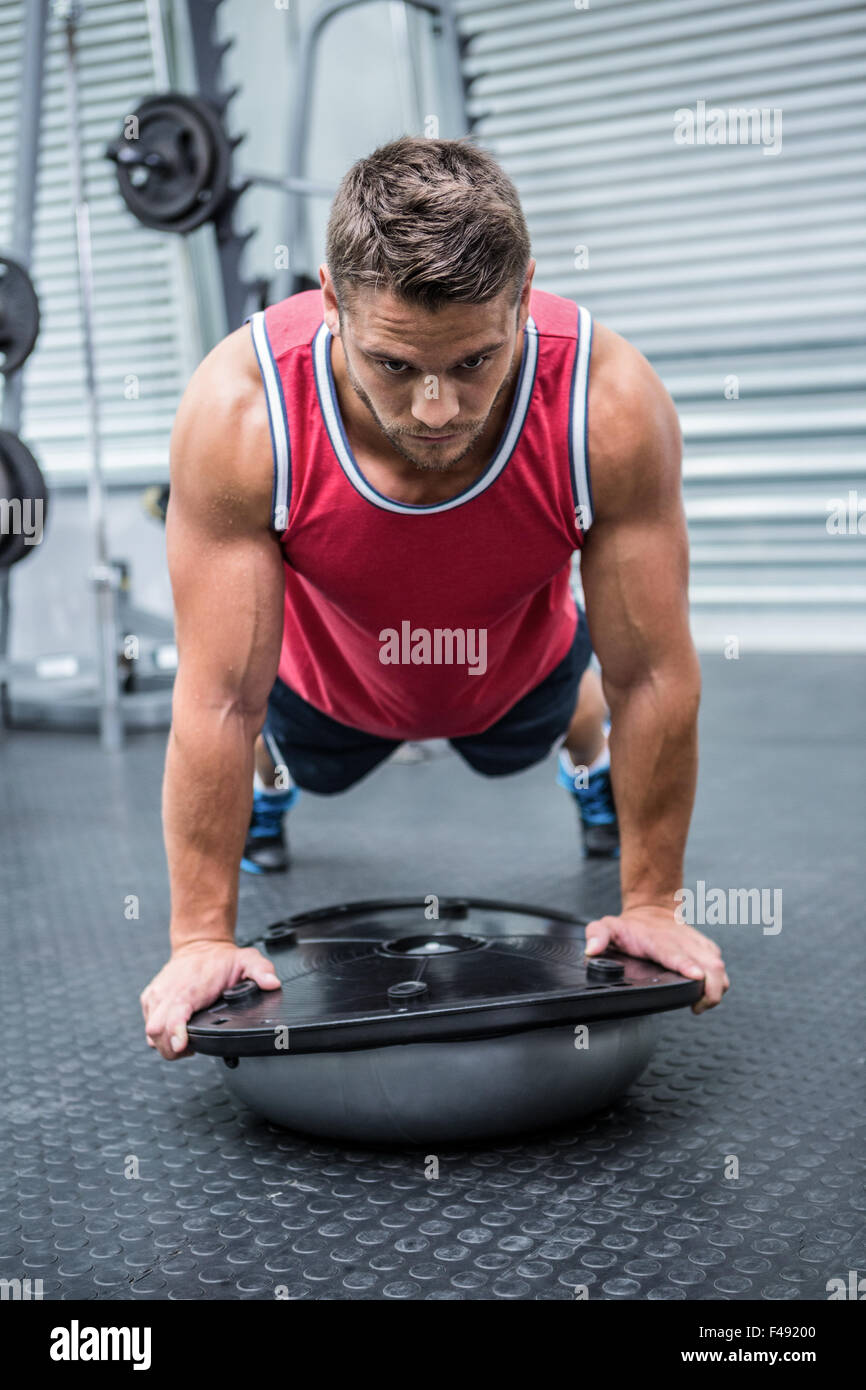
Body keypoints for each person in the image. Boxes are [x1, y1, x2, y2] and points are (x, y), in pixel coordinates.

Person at [141, 137, 728, 1061]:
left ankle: (586, 772)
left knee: (581, 709)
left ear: (524, 296)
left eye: (472, 363)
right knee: (255, 727)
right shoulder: (242, 411)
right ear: (330, 301)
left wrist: (653, 902)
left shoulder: (606, 404)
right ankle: (271, 796)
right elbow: (218, 696)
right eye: (394, 366)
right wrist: (201, 937)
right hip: (323, 690)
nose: (436, 410)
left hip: (515, 674)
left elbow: (651, 674)